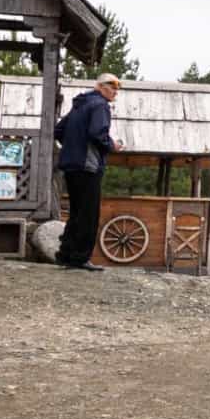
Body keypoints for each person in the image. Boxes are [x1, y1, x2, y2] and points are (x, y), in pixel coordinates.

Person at [54, 73, 123, 271]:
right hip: (89, 166)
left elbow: (59, 130)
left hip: (70, 165)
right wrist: (112, 145)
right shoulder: (100, 105)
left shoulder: (79, 105)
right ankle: (80, 257)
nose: (115, 92)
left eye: (117, 88)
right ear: (101, 87)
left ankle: (65, 254)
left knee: (75, 212)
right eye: (112, 87)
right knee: (88, 214)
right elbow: (97, 133)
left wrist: (73, 146)